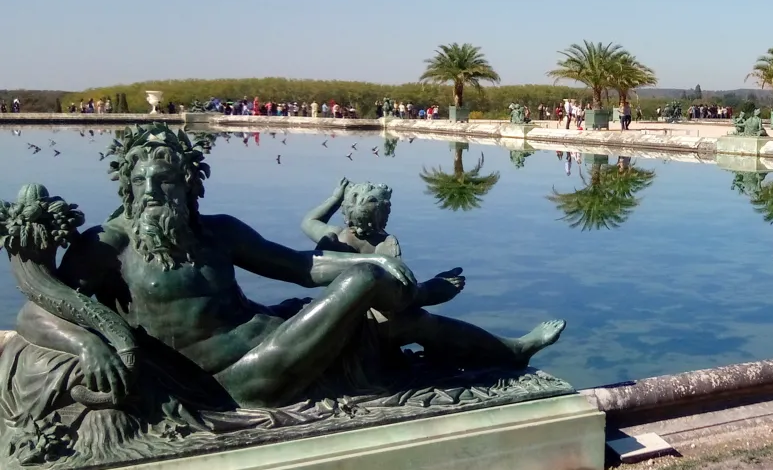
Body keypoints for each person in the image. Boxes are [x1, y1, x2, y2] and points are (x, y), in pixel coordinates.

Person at [3, 124, 565, 415]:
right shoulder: (107, 244)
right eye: (143, 180)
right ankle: (419, 295)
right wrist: (91, 346)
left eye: (167, 179)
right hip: (239, 379)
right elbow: (36, 307)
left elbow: (299, 266)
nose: (154, 191)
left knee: (395, 322)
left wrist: (367, 255)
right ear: (125, 182)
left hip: (276, 334)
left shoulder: (217, 230)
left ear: (189, 184)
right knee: (368, 283)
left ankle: (509, 351)